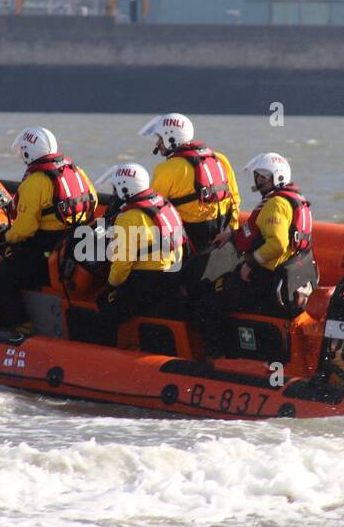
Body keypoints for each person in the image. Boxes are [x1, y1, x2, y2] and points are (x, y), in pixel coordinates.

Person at [202, 153, 317, 354]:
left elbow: (277, 244)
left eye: (264, 176)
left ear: (277, 177)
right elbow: (259, 232)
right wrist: (231, 234)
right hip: (281, 274)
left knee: (211, 303)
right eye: (258, 176)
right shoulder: (292, 200)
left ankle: (215, 355)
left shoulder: (275, 204)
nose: (259, 181)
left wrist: (250, 264)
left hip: (266, 278)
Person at [0, 126, 97, 333]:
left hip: (48, 252)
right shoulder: (76, 171)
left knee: (1, 277)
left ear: (29, 152)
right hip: (74, 245)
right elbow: (94, 200)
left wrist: (5, 237)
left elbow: (24, 230)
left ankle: (21, 326)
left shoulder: (34, 183)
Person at [96, 163, 187, 343]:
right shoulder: (163, 203)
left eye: (116, 188)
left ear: (124, 188)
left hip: (149, 280)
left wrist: (110, 285)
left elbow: (122, 264)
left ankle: (107, 357)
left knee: (104, 304)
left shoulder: (127, 218)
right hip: (172, 275)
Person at [138, 113, 241, 253]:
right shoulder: (220, 159)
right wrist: (231, 229)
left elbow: (151, 208)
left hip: (191, 238)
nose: (157, 143)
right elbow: (233, 198)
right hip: (221, 229)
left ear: (171, 138)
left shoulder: (166, 169)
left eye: (160, 138)